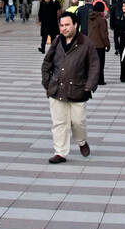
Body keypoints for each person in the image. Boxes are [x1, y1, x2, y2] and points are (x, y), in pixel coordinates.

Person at [41, 10, 100, 163]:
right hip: (56, 89)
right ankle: (60, 152)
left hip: (78, 89)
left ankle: (81, 142)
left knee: (77, 122)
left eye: (67, 25)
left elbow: (94, 66)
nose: (64, 28)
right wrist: (46, 82)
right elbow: (47, 62)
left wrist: (89, 86)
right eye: (61, 25)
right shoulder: (57, 41)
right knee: (59, 123)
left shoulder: (86, 43)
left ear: (75, 25)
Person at [88, 0, 110, 86]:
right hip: (99, 44)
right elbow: (103, 34)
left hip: (91, 44)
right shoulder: (101, 20)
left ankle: (92, 79)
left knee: (92, 63)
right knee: (100, 63)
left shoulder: (89, 18)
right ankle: (100, 80)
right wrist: (107, 44)